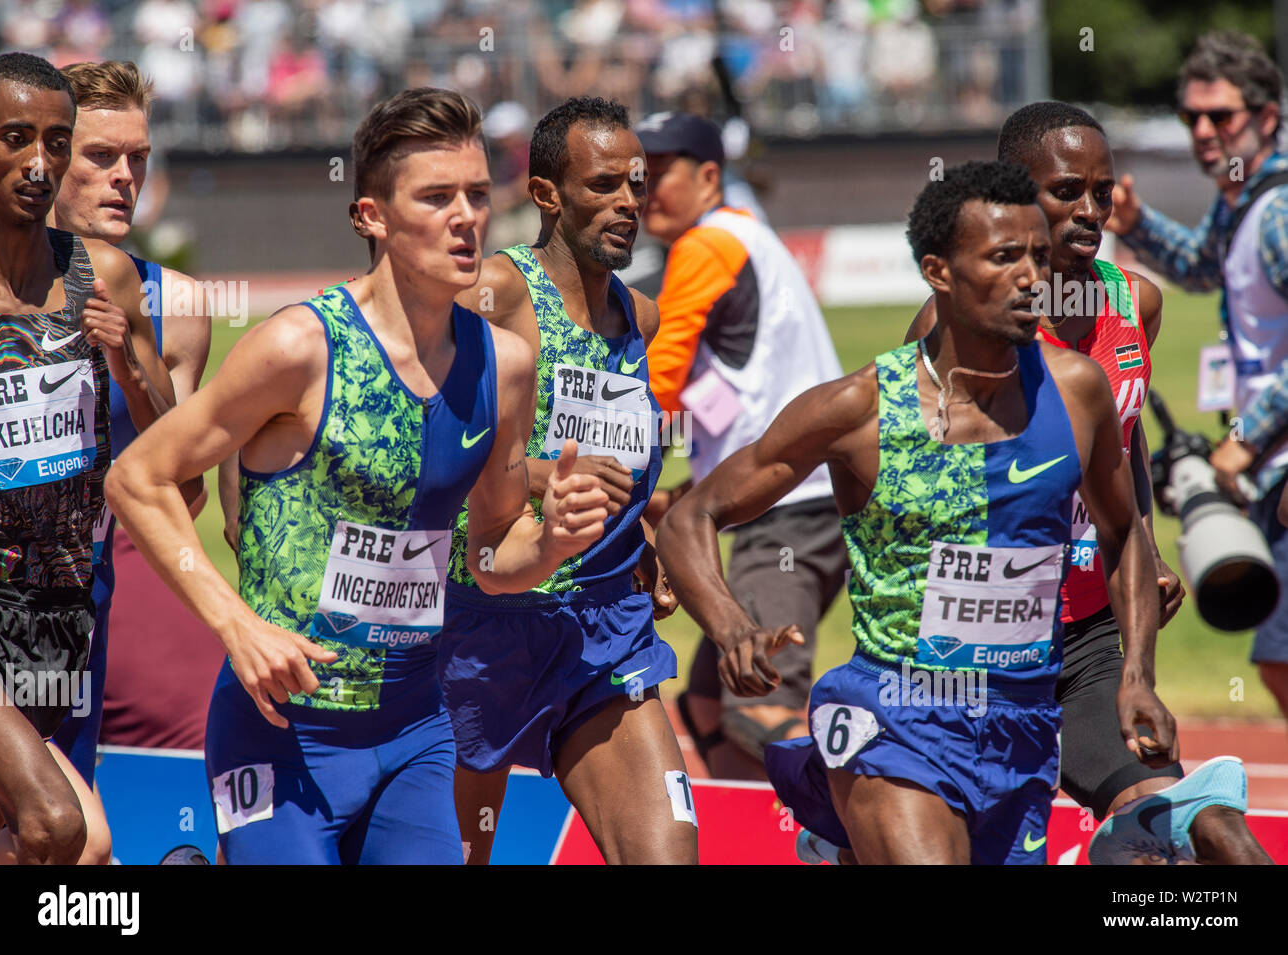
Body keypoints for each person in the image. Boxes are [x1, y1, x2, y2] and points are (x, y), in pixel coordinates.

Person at [105, 87, 610, 865]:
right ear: (371, 215)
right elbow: (137, 477)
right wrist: (236, 624)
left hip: (415, 731)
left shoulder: (505, 364)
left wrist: (549, 545)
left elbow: (492, 553)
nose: (466, 217)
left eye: (476, 195)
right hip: (280, 731)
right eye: (436, 197)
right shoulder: (299, 348)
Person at [660, 159, 1176, 864]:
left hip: (1021, 725)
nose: (1033, 277)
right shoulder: (859, 410)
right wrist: (730, 626)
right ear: (939, 270)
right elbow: (693, 517)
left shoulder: (1077, 391)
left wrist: (1137, 673)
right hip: (896, 715)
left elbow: (1124, 533)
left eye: (1036, 255)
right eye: (1004, 258)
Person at [905, 103, 1268, 865]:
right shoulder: (952, 326)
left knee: (1191, 835)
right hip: (974, 646)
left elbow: (1123, 445)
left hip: (1094, 634)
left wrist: (1142, 545)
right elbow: (907, 494)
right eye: (1067, 190)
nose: (1090, 210)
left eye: (1102, 193)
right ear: (1014, 190)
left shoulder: (1136, 303)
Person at [440, 97, 694, 866]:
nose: (628, 203)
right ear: (548, 194)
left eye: (637, 184)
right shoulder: (496, 293)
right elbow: (405, 407)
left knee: (668, 857)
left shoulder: (639, 317)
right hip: (479, 622)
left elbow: (621, 463)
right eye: (604, 185)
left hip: (604, 633)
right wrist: (542, 477)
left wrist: (641, 534)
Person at [0, 51, 172, 865]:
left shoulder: (102, 275)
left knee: (54, 845)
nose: (39, 162)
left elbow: (176, 452)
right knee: (68, 830)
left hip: (60, 614)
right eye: (15, 138)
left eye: (56, 142)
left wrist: (128, 359)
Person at [637, 111, 847, 778]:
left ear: (707, 175)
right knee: (705, 699)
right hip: (800, 502)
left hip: (791, 514)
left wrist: (607, 478)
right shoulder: (744, 236)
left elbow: (659, 384)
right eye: (636, 176)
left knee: (760, 709)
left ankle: (868, 829)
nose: (642, 192)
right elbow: (727, 407)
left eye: (659, 172)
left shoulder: (707, 245)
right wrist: (673, 493)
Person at [43, 58, 215, 865]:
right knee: (77, 838)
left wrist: (128, 363)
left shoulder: (177, 305)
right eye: (100, 155)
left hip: (86, 603)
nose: (125, 177)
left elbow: (185, 488)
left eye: (138, 158)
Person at [1108, 31, 1288, 726]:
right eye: (1192, 118)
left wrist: (1243, 443)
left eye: (1223, 116)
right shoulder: (1245, 200)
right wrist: (1137, 225)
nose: (1205, 132)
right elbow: (1204, 265)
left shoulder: (1277, 210)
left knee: (1279, 656)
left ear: (1268, 117)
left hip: (1274, 459)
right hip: (1270, 465)